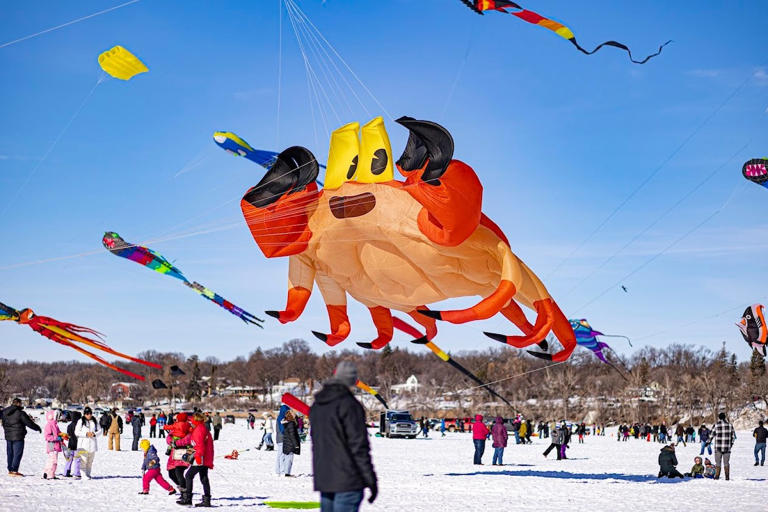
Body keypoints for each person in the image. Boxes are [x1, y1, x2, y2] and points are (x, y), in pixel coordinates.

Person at [310, 361, 377, 512]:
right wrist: (370, 479)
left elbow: (317, 442)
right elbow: (359, 446)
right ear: (353, 381)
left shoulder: (317, 404)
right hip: (348, 479)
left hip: (325, 478)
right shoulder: (350, 405)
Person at [175, 412, 214, 507]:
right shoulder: (200, 428)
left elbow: (200, 446)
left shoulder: (199, 430)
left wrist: (198, 457)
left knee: (188, 476)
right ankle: (207, 500)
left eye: (192, 420)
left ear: (196, 420)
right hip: (204, 457)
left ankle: (188, 499)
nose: (191, 421)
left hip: (201, 458)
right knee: (204, 478)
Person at [2, 397, 42, 476]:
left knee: (10, 453)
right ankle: (14, 470)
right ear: (18, 404)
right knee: (17, 454)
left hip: (8, 436)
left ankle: (10, 470)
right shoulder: (20, 413)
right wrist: (37, 428)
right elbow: (29, 423)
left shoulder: (5, 412)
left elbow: (3, 424)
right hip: (18, 436)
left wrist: (7, 430)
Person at [165, 413, 191, 494]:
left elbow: (189, 438)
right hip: (174, 454)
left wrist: (177, 443)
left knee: (179, 472)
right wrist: (171, 442)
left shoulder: (188, 427)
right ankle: (183, 487)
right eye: (174, 420)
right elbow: (169, 437)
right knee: (171, 474)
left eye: (176, 419)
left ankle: (185, 492)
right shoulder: (175, 428)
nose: (175, 421)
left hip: (183, 453)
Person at [75, 407, 98, 479]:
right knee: (83, 460)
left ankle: (88, 473)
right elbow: (76, 432)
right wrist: (86, 434)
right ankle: (83, 475)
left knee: (90, 461)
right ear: (84, 414)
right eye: (87, 414)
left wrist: (94, 434)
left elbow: (100, 430)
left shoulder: (94, 420)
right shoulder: (80, 421)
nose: (89, 415)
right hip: (83, 444)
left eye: (90, 413)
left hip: (92, 444)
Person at [712, 412, 735, 480]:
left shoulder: (716, 425)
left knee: (718, 463)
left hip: (718, 448)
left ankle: (717, 476)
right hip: (727, 448)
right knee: (726, 463)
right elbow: (733, 437)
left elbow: (711, 435)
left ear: (719, 417)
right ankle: (727, 477)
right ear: (725, 417)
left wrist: (708, 442)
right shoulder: (730, 425)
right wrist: (730, 444)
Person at [42, 409, 64, 479]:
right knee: (53, 460)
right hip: (52, 445)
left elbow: (58, 433)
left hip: (56, 445)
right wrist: (57, 438)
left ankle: (46, 472)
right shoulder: (49, 425)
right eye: (56, 416)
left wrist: (63, 435)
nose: (58, 417)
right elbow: (47, 436)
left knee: (51, 460)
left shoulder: (55, 425)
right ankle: (50, 474)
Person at [280, 410, 301, 477]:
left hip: (287, 443)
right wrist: (296, 445)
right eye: (294, 414)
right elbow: (292, 435)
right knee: (289, 459)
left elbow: (297, 425)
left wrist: (297, 418)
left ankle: (286, 472)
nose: (295, 414)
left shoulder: (288, 423)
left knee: (287, 458)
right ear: (291, 415)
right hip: (290, 444)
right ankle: (287, 473)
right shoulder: (291, 423)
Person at [63, 411, 82, 478]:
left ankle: (66, 472)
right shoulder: (79, 426)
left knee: (69, 459)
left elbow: (68, 435)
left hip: (70, 445)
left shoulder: (69, 425)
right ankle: (77, 473)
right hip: (77, 445)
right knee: (77, 459)